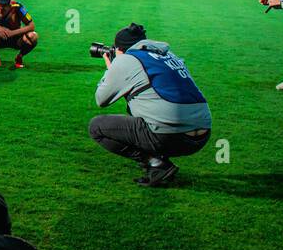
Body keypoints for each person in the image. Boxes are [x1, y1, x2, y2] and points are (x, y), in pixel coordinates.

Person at [89, 23, 212, 186]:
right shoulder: (168, 56)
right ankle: (159, 166)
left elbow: (101, 99)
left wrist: (111, 70)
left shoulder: (128, 60)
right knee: (144, 104)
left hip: (170, 137)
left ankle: (157, 163)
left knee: (97, 127)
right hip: (202, 136)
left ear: (120, 49)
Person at [0, 0, 38, 69]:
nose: (0, 12)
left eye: (3, 9)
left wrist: (12, 32)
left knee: (33, 36)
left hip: (16, 39)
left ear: (10, 5)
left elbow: (31, 26)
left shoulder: (18, 7)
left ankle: (19, 57)